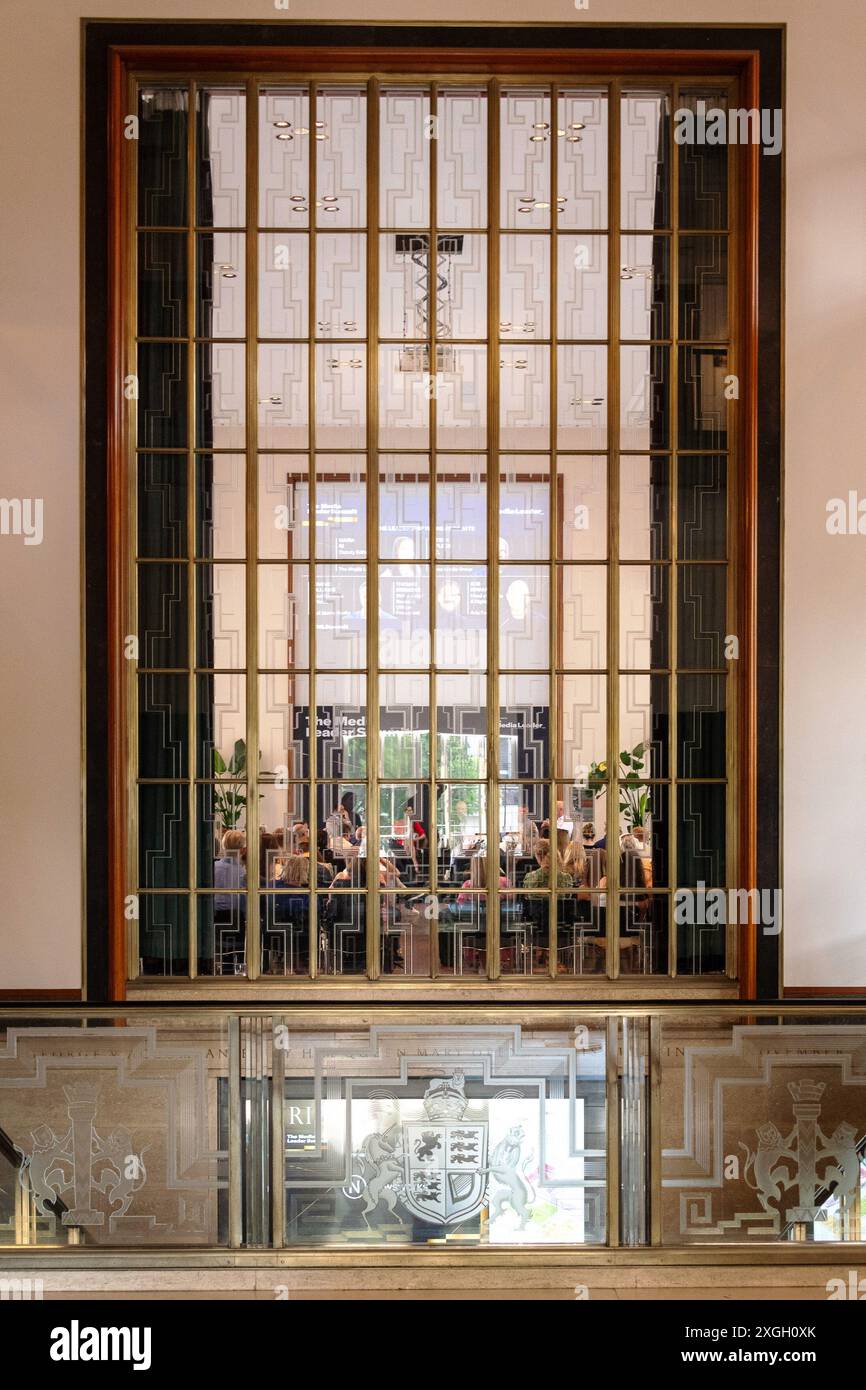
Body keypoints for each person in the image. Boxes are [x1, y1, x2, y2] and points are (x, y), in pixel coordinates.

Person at [214, 829, 246, 919]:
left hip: (214, 914)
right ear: (243, 850)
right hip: (235, 916)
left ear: (223, 847)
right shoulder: (242, 872)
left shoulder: (213, 867)